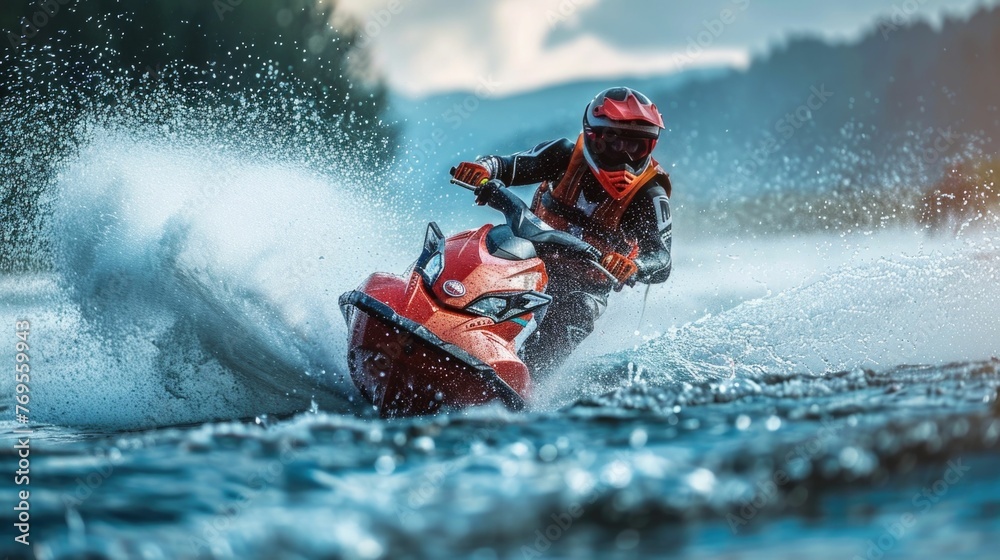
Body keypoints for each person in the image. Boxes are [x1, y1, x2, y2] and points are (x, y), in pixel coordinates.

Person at [451, 87, 673, 377]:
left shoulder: (649, 194)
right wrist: (483, 169)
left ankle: (527, 379)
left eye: (635, 146)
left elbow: (662, 259)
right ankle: (436, 310)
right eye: (613, 142)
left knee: (577, 311)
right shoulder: (562, 155)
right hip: (528, 256)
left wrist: (635, 266)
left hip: (585, 285)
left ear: (649, 147)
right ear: (592, 134)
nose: (624, 156)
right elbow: (506, 165)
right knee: (491, 242)